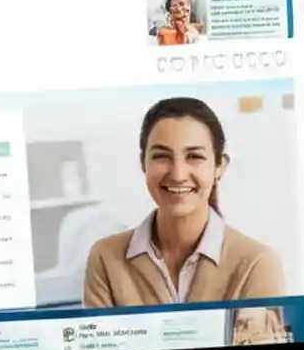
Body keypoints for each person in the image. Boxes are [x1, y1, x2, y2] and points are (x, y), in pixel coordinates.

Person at [83, 97, 285, 308]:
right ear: (143, 164)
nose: (178, 174)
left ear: (220, 167)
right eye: (161, 156)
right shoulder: (106, 257)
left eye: (194, 157)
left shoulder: (257, 263)